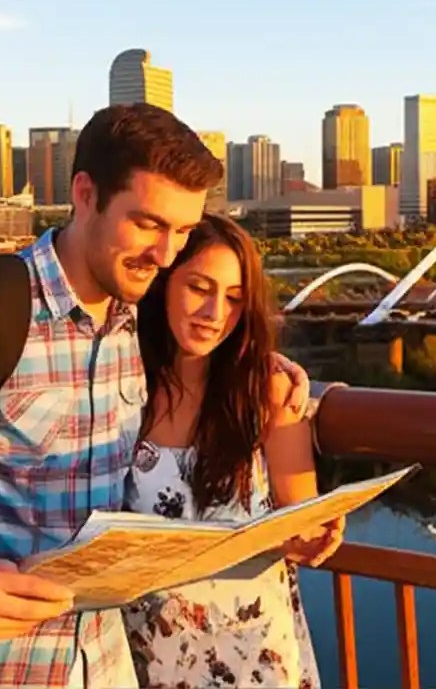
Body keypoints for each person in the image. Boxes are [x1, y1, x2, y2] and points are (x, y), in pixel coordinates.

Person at [0, 103, 311, 689]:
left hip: (103, 664)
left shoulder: (140, 318)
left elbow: (211, 343)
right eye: (148, 224)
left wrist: (265, 366)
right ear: (85, 194)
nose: (165, 255)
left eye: (182, 232)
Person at [122, 212, 342, 688]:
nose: (215, 313)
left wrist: (314, 535)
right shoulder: (119, 385)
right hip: (147, 657)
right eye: (199, 288)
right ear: (163, 281)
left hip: (253, 655)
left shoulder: (266, 392)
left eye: (235, 299)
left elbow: (299, 515)